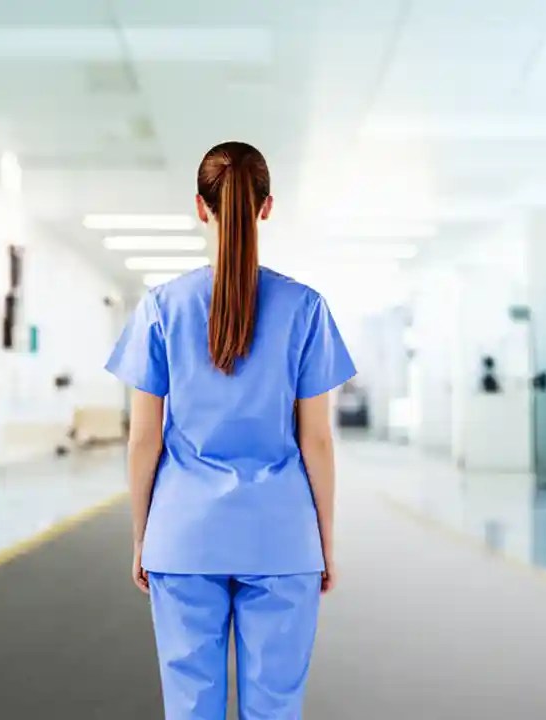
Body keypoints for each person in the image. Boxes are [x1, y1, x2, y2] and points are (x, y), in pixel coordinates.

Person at [106, 141, 356, 719]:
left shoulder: (162, 307)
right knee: (275, 707)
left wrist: (144, 537)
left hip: (184, 535)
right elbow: (316, 439)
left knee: (192, 707)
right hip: (282, 535)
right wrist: (325, 541)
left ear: (201, 206)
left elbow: (145, 438)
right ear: (266, 207)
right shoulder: (305, 308)